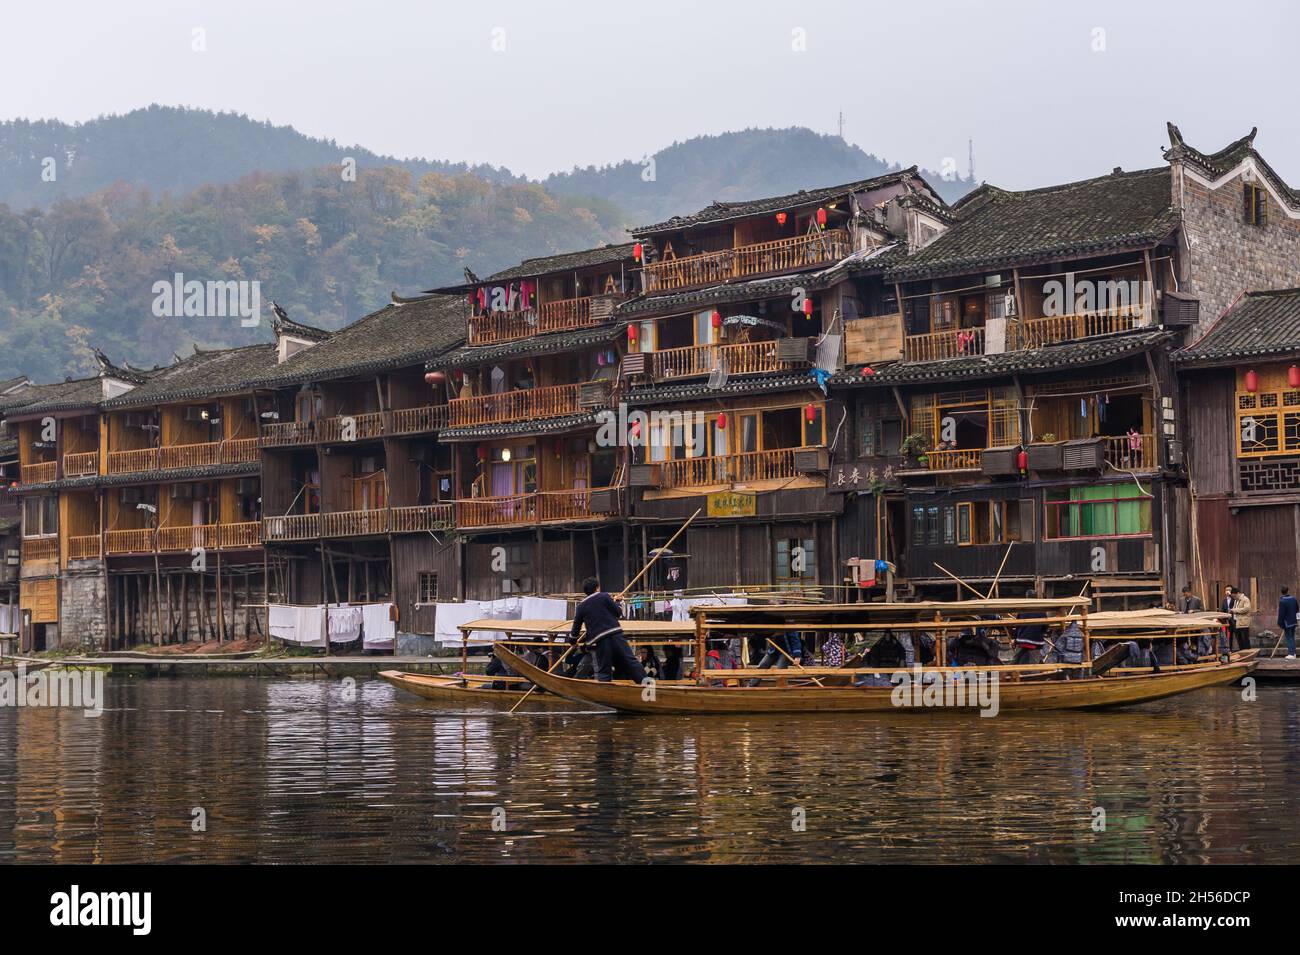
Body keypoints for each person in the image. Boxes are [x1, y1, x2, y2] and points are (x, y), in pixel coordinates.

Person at [570, 577, 646, 683]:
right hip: (615, 635)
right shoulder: (604, 596)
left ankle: (605, 694)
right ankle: (649, 688)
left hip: (599, 641)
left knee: (604, 671)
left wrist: (573, 641)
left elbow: (575, 628)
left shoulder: (581, 606)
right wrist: (618, 603)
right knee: (631, 662)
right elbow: (618, 613)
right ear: (597, 588)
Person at [1012, 589, 1048, 665]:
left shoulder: (1022, 609)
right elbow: (1045, 626)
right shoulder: (1041, 610)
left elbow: (1017, 626)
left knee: (1015, 660)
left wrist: (1014, 639)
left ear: (1026, 597)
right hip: (1036, 641)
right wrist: (1043, 632)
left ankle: (1008, 673)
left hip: (1023, 640)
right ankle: (1035, 675)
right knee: (1034, 662)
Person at [1278, 586, 1299, 660]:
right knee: (1292, 637)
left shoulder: (1282, 601)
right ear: (1288, 591)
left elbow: (1281, 614)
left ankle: (1291, 654)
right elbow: (1297, 609)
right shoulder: (1293, 599)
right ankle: (1293, 653)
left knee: (1289, 637)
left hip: (1287, 622)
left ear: (1281, 592)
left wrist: (1280, 623)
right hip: (1293, 621)